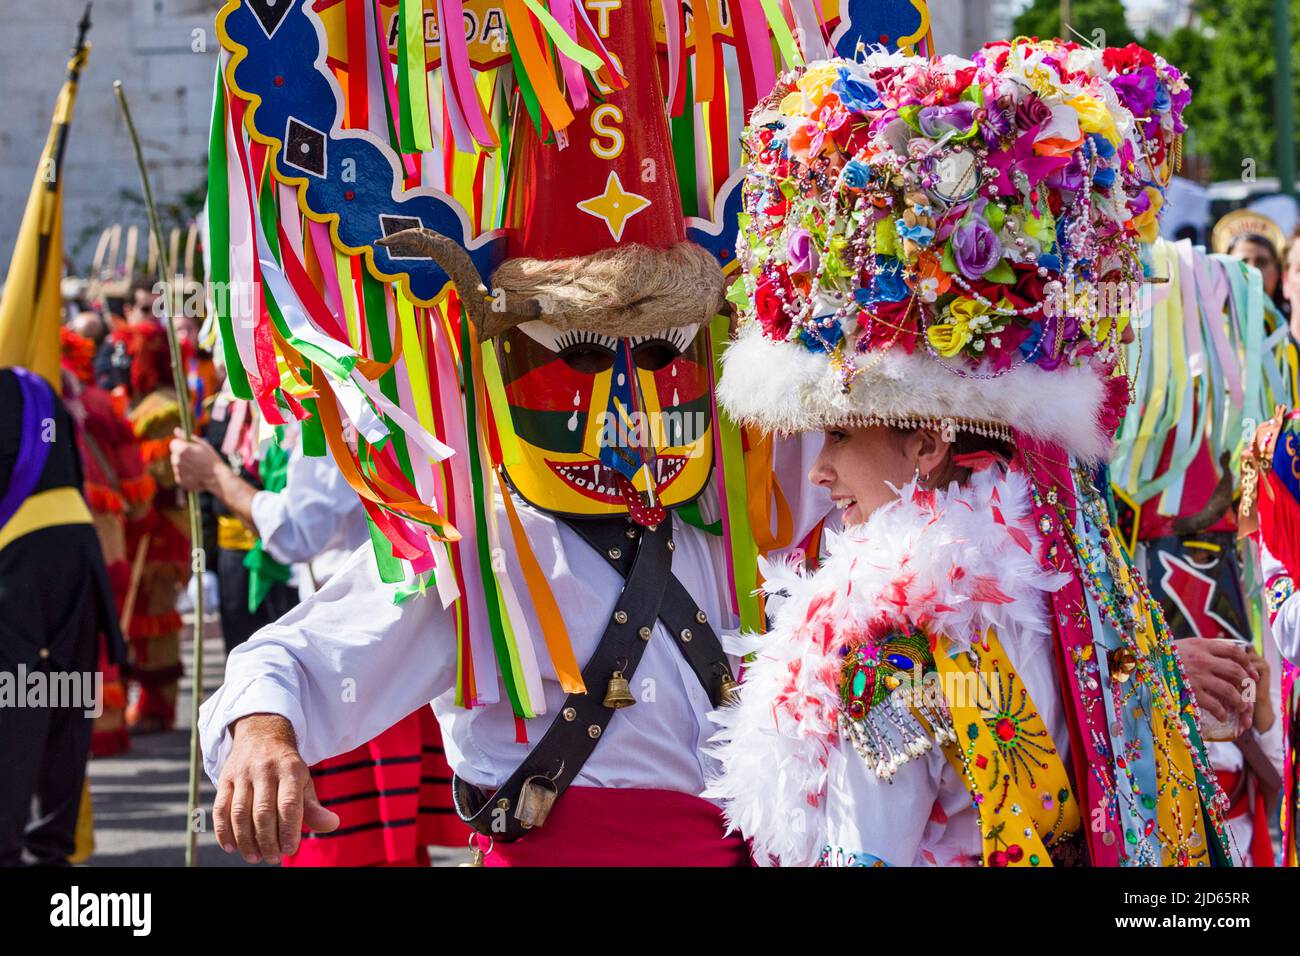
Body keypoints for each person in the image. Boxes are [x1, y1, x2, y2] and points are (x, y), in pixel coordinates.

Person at [196, 0, 834, 867]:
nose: (626, 390)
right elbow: (294, 656)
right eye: (579, 351)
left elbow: (885, 429)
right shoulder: (478, 552)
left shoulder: (742, 500)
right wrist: (261, 735)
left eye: (657, 351)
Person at [705, 40, 1232, 866]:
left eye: (839, 433)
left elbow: (865, 854)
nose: (819, 471)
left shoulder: (890, 632)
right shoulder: (1065, 569)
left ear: (925, 438)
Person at [0, 365, 122, 865]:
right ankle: (50, 852)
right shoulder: (36, 387)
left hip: (16, 569)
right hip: (73, 557)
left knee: (17, 714)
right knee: (62, 705)